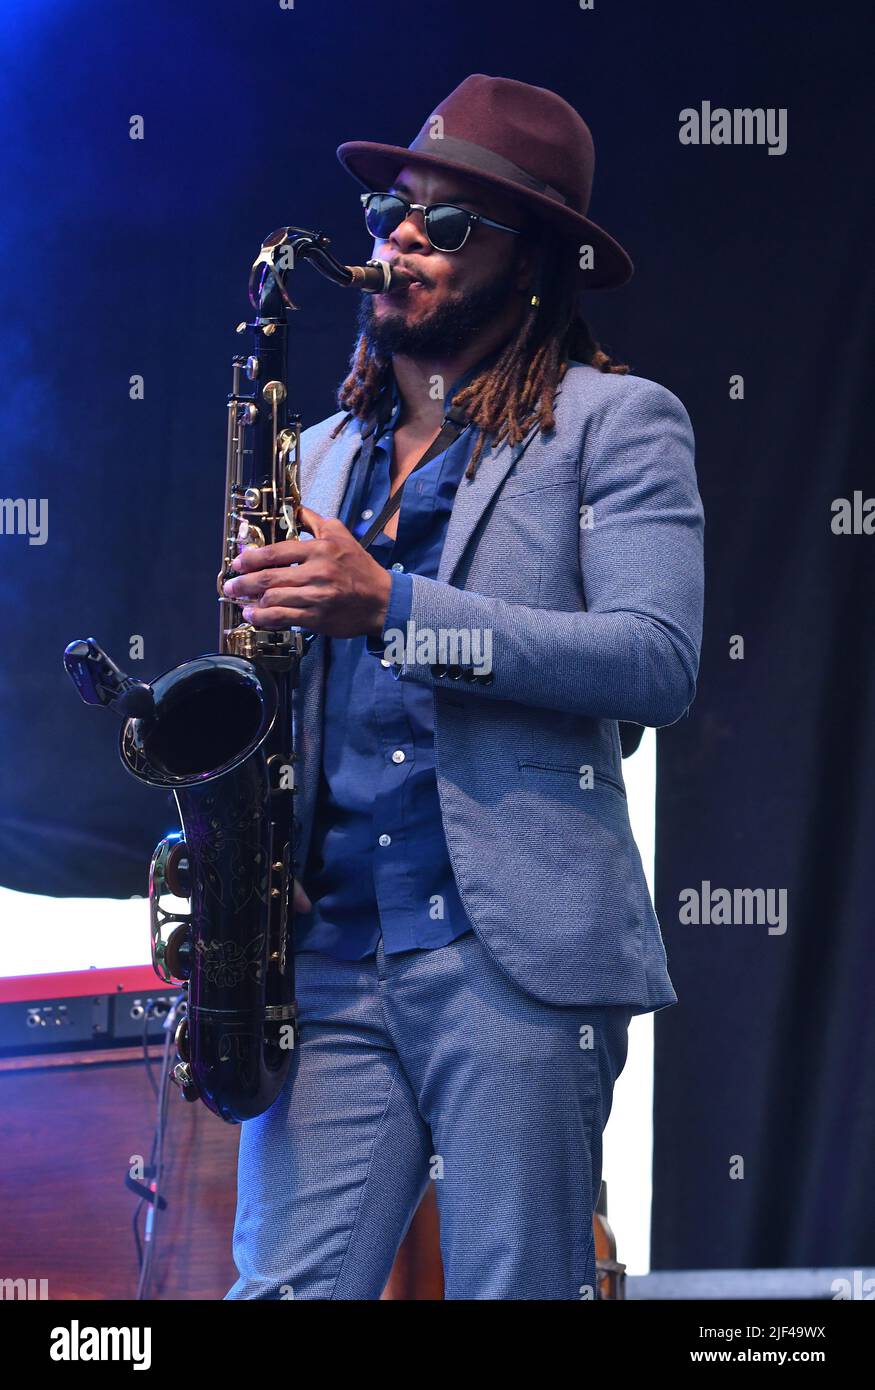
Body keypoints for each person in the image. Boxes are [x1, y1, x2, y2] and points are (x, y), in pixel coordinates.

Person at [222, 73, 704, 1300]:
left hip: (513, 959)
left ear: (530, 256)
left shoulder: (616, 422)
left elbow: (655, 659)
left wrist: (393, 607)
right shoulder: (310, 455)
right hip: (325, 949)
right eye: (388, 211)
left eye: (442, 223)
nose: (397, 240)